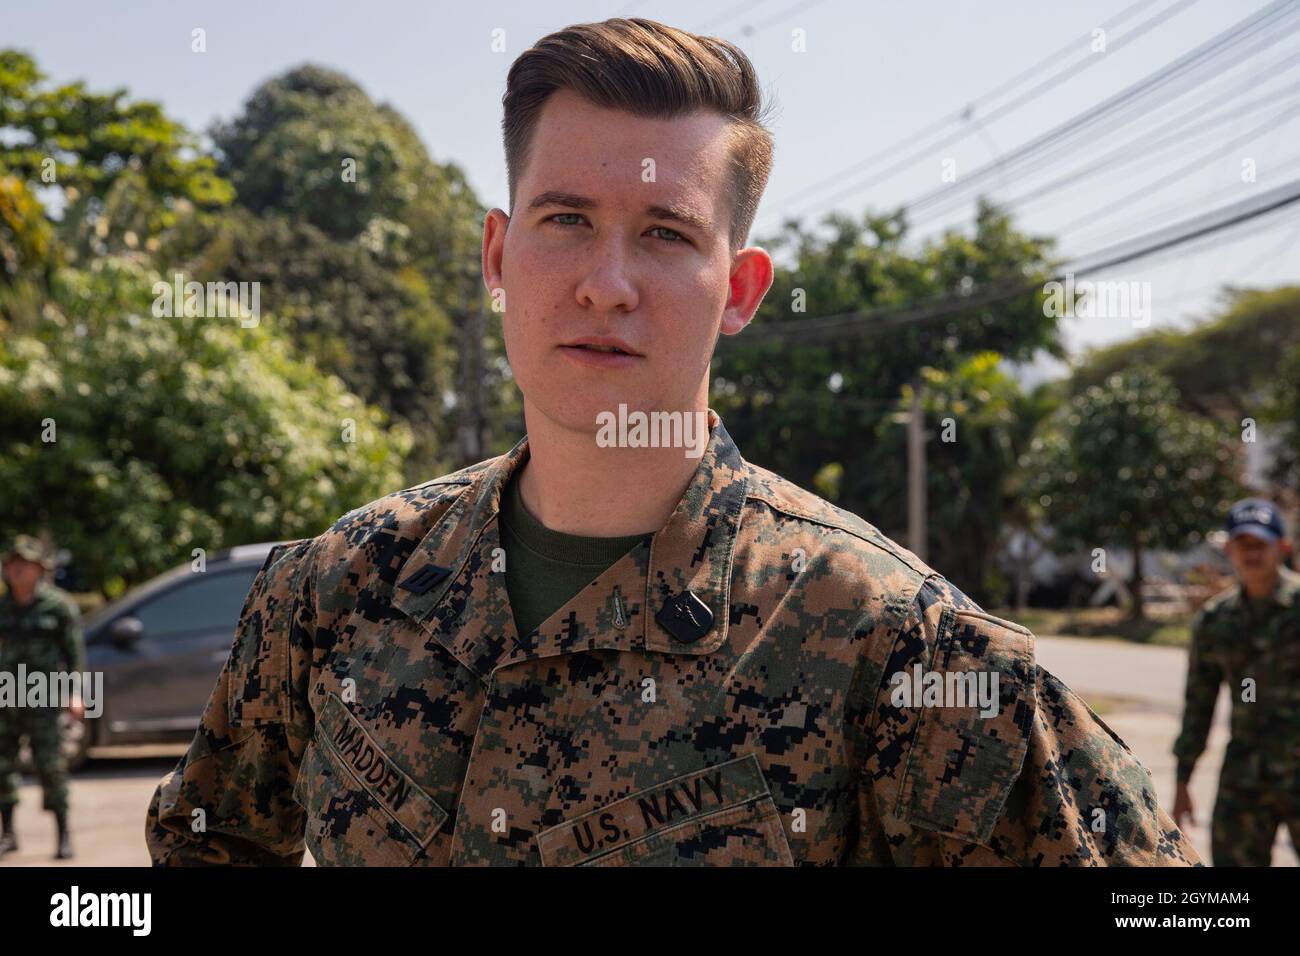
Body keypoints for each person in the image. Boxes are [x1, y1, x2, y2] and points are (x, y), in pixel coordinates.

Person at [147, 17, 1199, 866]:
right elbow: (207, 839)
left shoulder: (893, 646)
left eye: (664, 232)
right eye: (564, 219)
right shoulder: (337, 591)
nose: (606, 282)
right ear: (498, 253)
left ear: (737, 289)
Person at [1173, 498, 1300, 866]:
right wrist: (1183, 781)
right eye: (1243, 544)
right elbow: (1198, 704)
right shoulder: (1215, 622)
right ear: (1228, 549)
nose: (1252, 553)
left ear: (1283, 547)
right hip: (1244, 778)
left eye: (1261, 543)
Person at [0, 535, 85, 860]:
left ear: (39, 569)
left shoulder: (58, 605)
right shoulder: (3, 607)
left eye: (25, 564)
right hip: (6, 697)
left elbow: (74, 653)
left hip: (44, 698)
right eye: (12, 564)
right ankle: (8, 834)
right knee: (2, 765)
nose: (17, 569)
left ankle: (63, 835)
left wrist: (76, 693)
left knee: (51, 766)